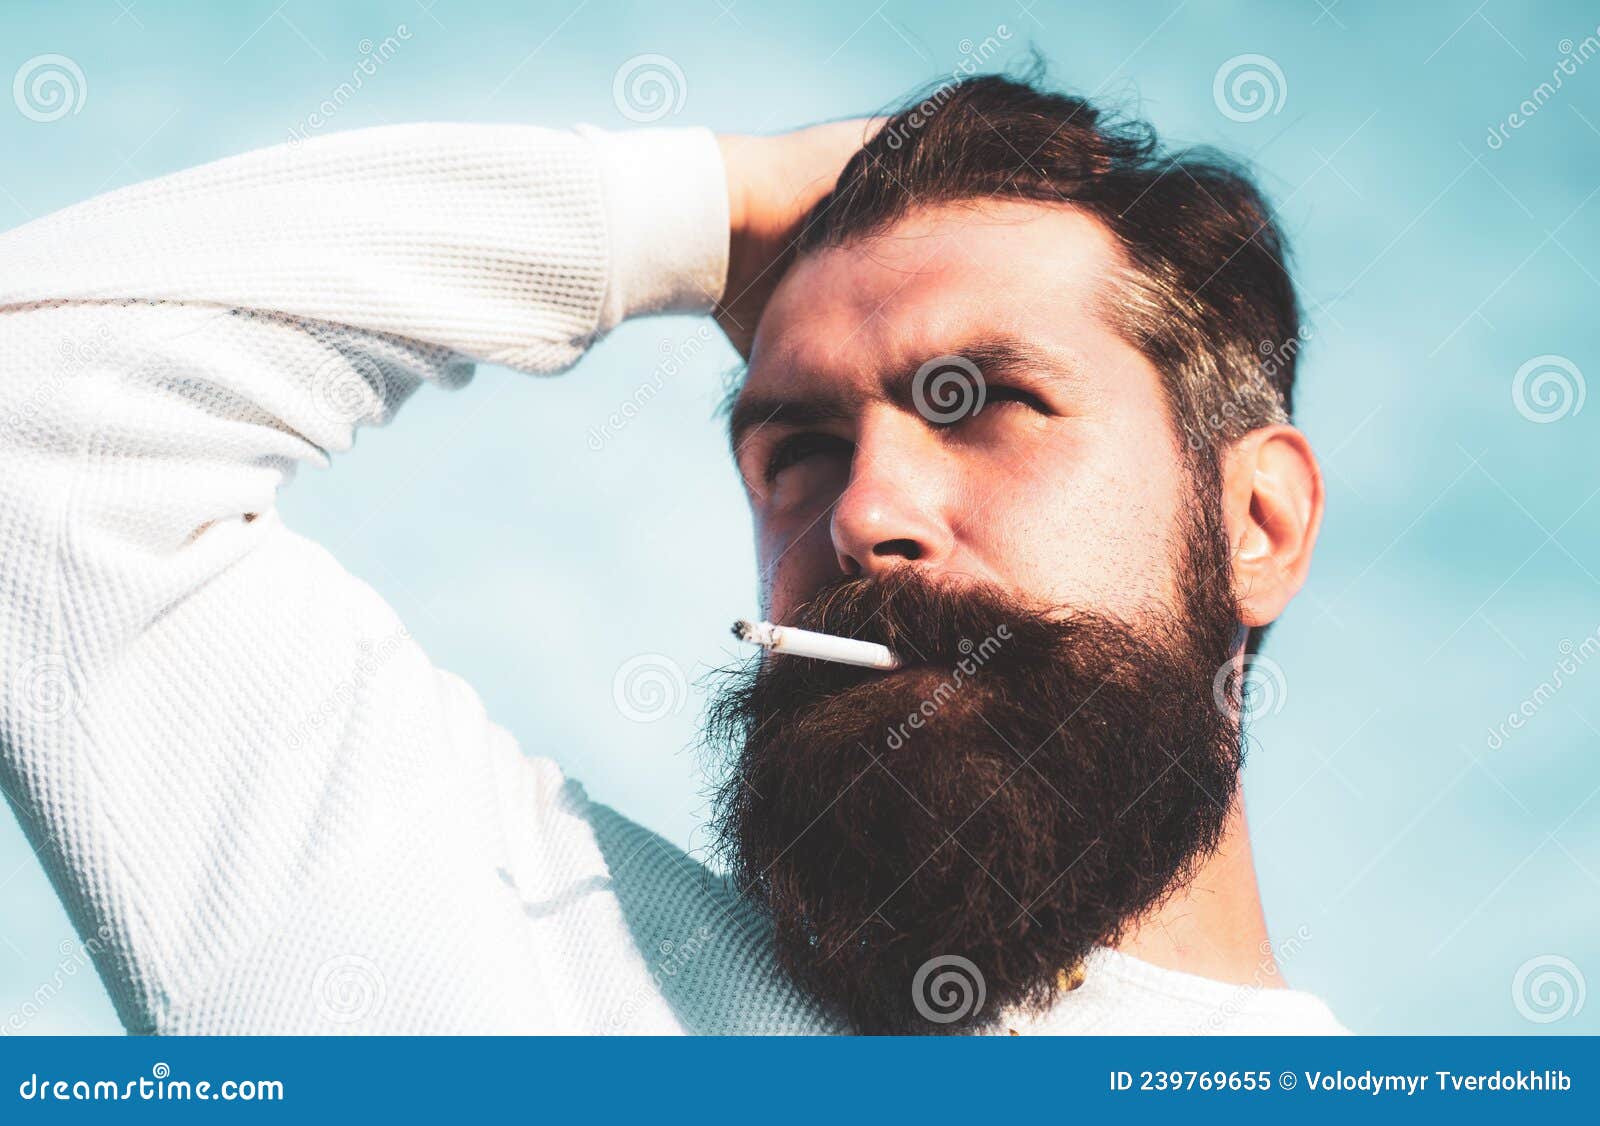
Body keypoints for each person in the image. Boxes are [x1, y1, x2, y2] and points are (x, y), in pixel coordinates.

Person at [0, 71, 1342, 1034]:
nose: (862, 513)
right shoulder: (518, 978)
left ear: (1257, 524)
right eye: (799, 447)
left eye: (983, 402)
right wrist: (705, 211)